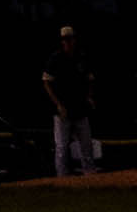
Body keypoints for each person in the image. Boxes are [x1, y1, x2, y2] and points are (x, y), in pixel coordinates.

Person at [42, 26, 101, 180]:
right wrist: (58, 104)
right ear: (61, 41)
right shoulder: (55, 59)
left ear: (74, 39)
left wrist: (89, 97)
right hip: (63, 111)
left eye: (69, 38)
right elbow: (46, 81)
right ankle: (63, 179)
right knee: (62, 147)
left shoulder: (81, 57)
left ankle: (90, 176)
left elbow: (90, 79)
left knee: (86, 145)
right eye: (65, 39)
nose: (67, 41)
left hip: (80, 107)